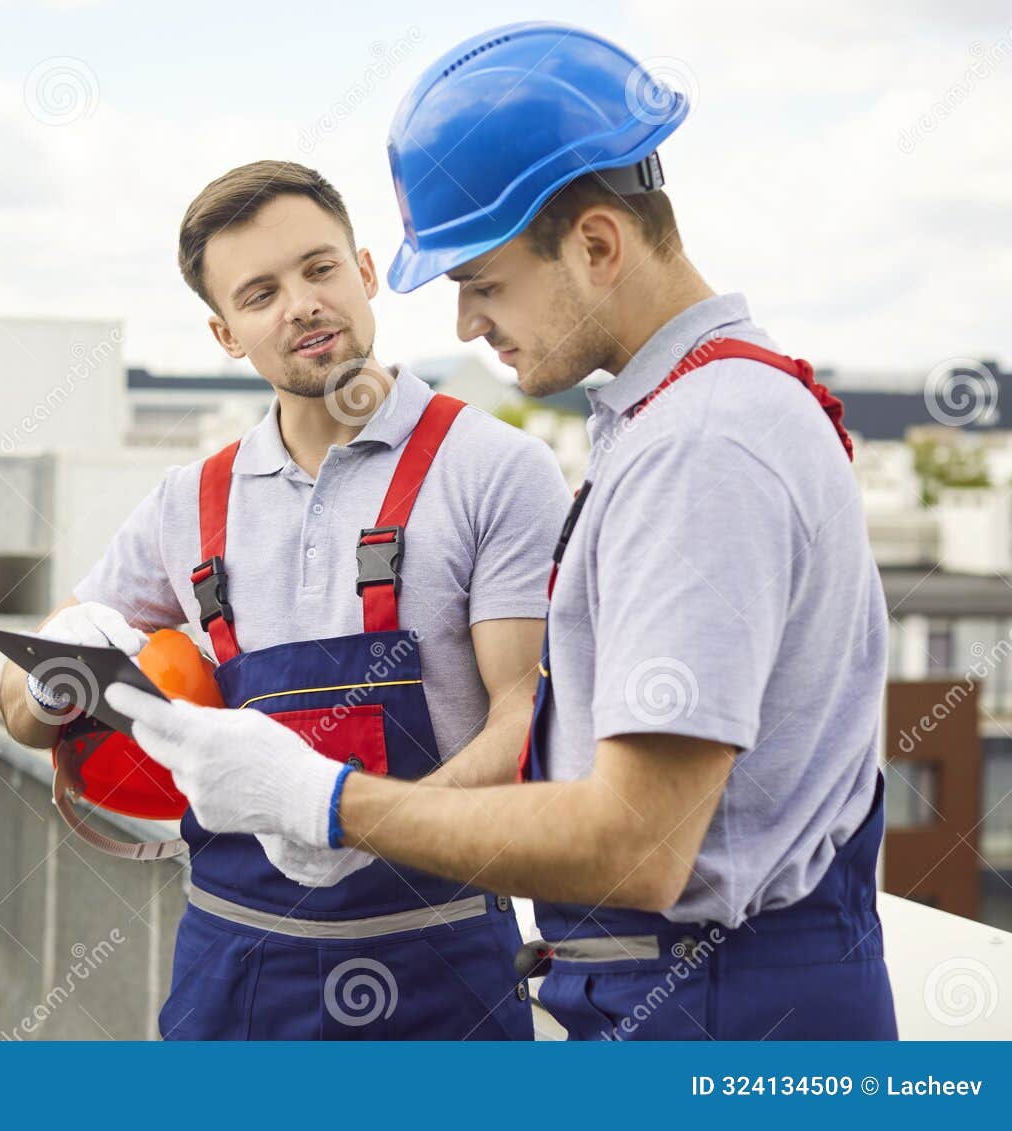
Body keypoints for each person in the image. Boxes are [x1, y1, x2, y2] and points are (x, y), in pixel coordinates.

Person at [107, 24, 898, 1041]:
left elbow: (639, 843)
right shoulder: (694, 417)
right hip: (686, 993)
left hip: (721, 1016)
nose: (470, 324)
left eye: (483, 282)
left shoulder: (700, 449)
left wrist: (330, 803)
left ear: (597, 246)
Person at [0, 159, 570, 1039]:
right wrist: (50, 679)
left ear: (368, 272)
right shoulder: (188, 502)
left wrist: (358, 821)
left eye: (319, 268)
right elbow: (25, 712)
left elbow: (518, 717)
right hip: (233, 975)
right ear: (227, 334)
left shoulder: (495, 470)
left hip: (440, 972)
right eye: (259, 293)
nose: (300, 303)